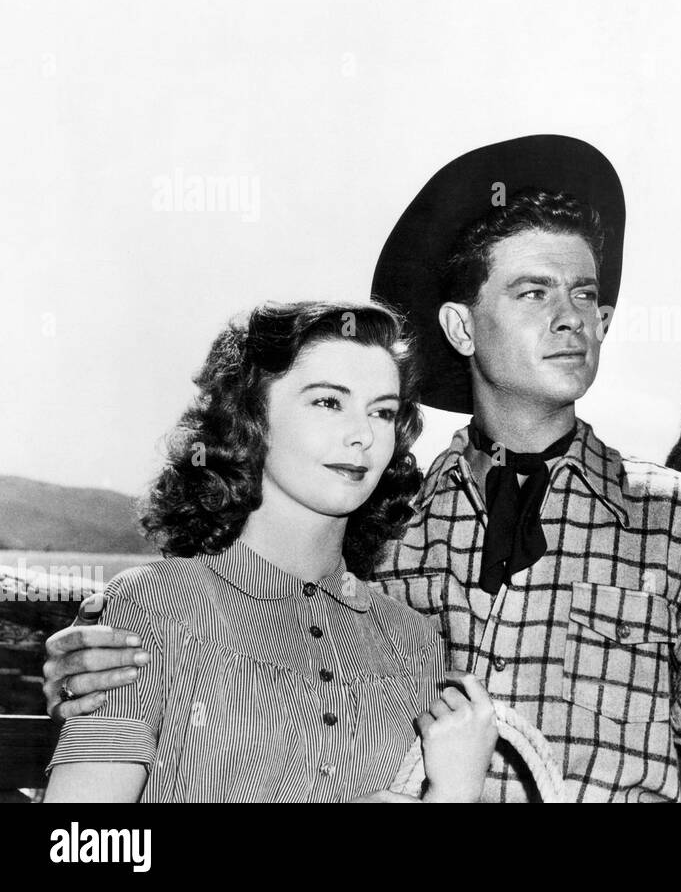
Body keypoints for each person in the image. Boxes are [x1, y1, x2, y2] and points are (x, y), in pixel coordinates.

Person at [46, 136, 681, 802]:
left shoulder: (680, 522)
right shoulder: (389, 530)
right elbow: (253, 623)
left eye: (587, 295)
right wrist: (117, 654)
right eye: (534, 292)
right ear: (463, 330)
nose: (574, 316)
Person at [43, 300, 497, 802]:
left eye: (383, 412)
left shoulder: (412, 642)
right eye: (328, 402)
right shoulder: (155, 606)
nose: (363, 434)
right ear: (250, 418)